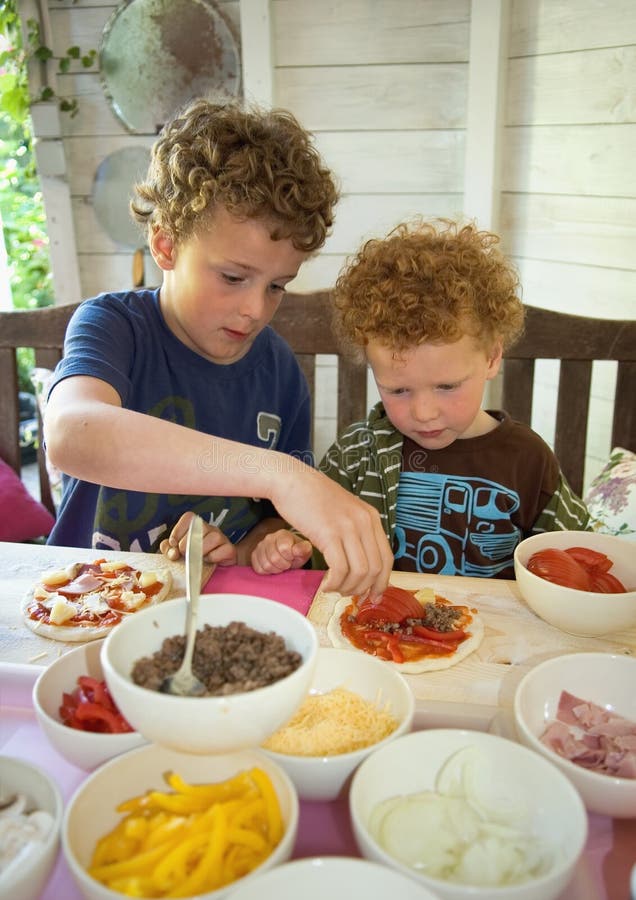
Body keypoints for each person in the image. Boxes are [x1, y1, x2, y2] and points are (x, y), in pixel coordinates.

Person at [44, 98, 393, 600]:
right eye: (233, 277)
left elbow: (265, 531)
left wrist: (258, 547)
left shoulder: (280, 373)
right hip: (82, 602)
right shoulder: (114, 326)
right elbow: (72, 434)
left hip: (205, 615)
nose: (255, 309)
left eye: (277, 286)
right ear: (165, 246)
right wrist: (282, 475)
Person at [250, 218, 591, 580]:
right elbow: (317, 538)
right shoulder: (359, 453)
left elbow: (579, 557)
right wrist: (291, 547)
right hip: (377, 630)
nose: (424, 413)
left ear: (491, 358)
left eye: (447, 386)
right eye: (398, 390)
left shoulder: (529, 460)